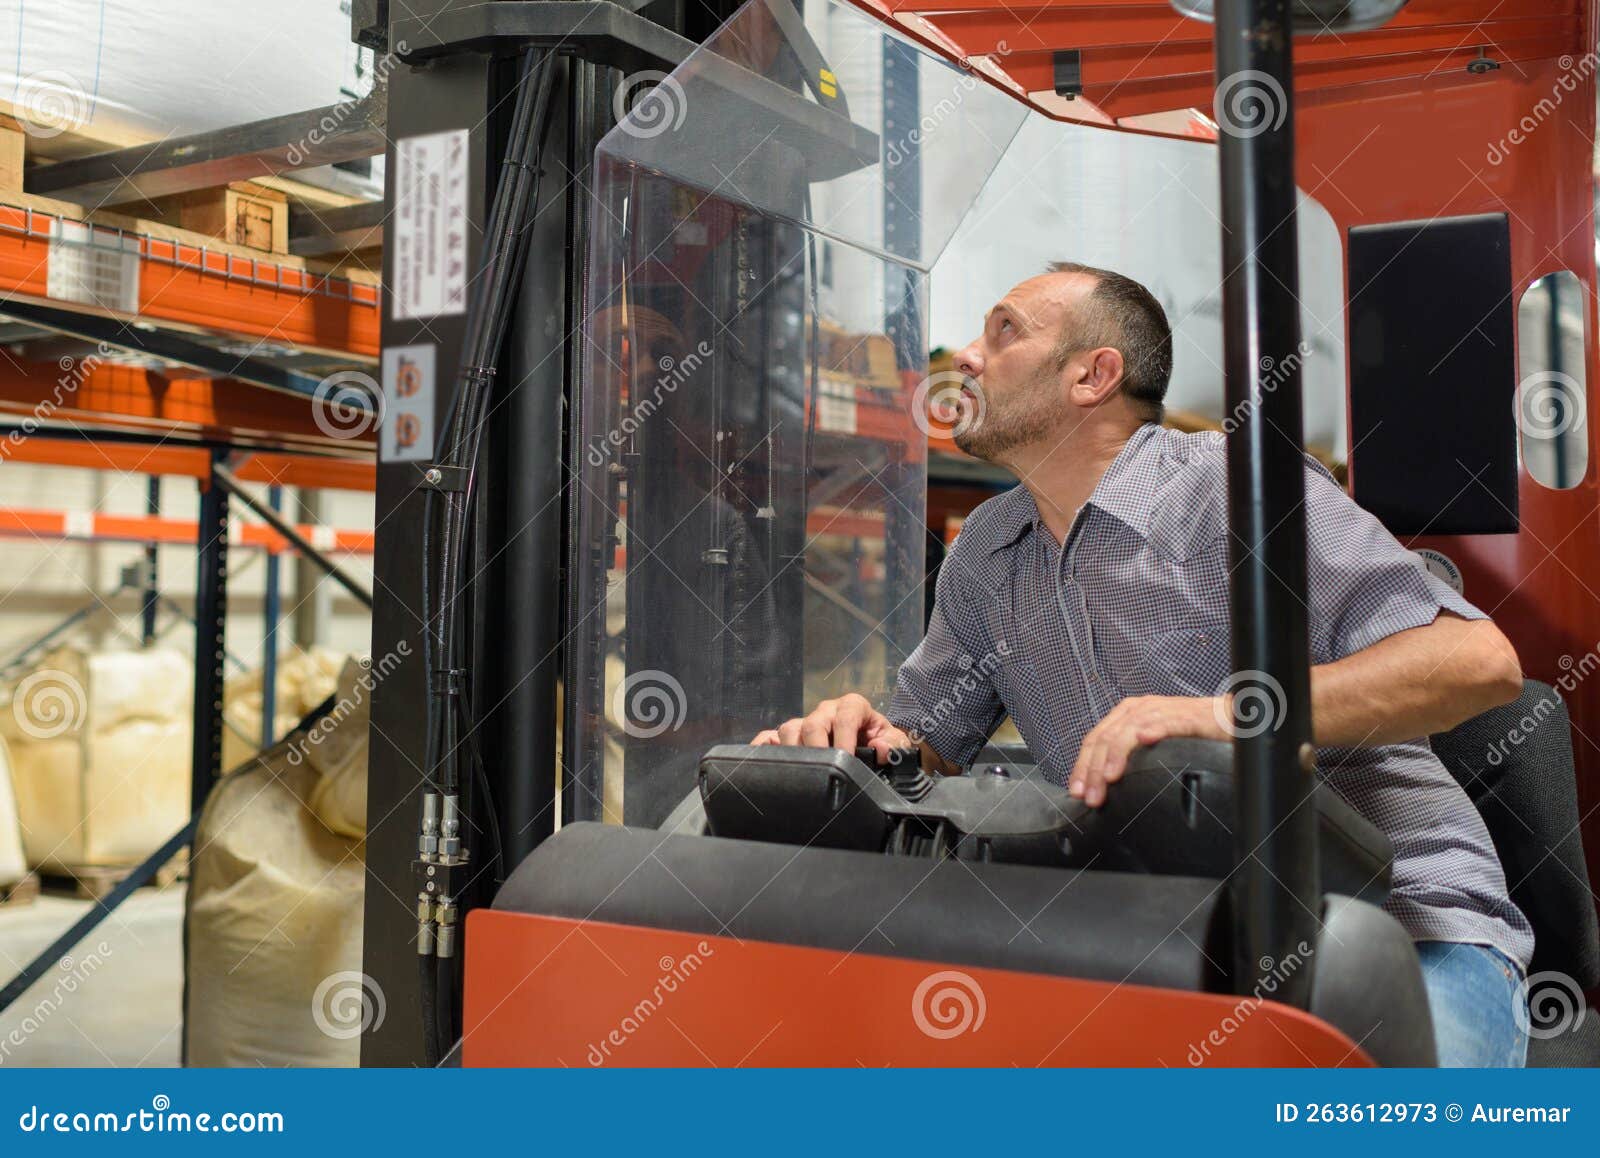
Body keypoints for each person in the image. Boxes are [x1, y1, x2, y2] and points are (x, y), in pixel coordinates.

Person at [752, 261, 1534, 1067]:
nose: (968, 360)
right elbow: (927, 746)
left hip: (1399, 927)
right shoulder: (987, 551)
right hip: (1162, 939)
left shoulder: (1234, 491)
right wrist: (861, 740)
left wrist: (1217, 716)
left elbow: (1476, 661)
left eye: (1005, 331)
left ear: (1093, 375)